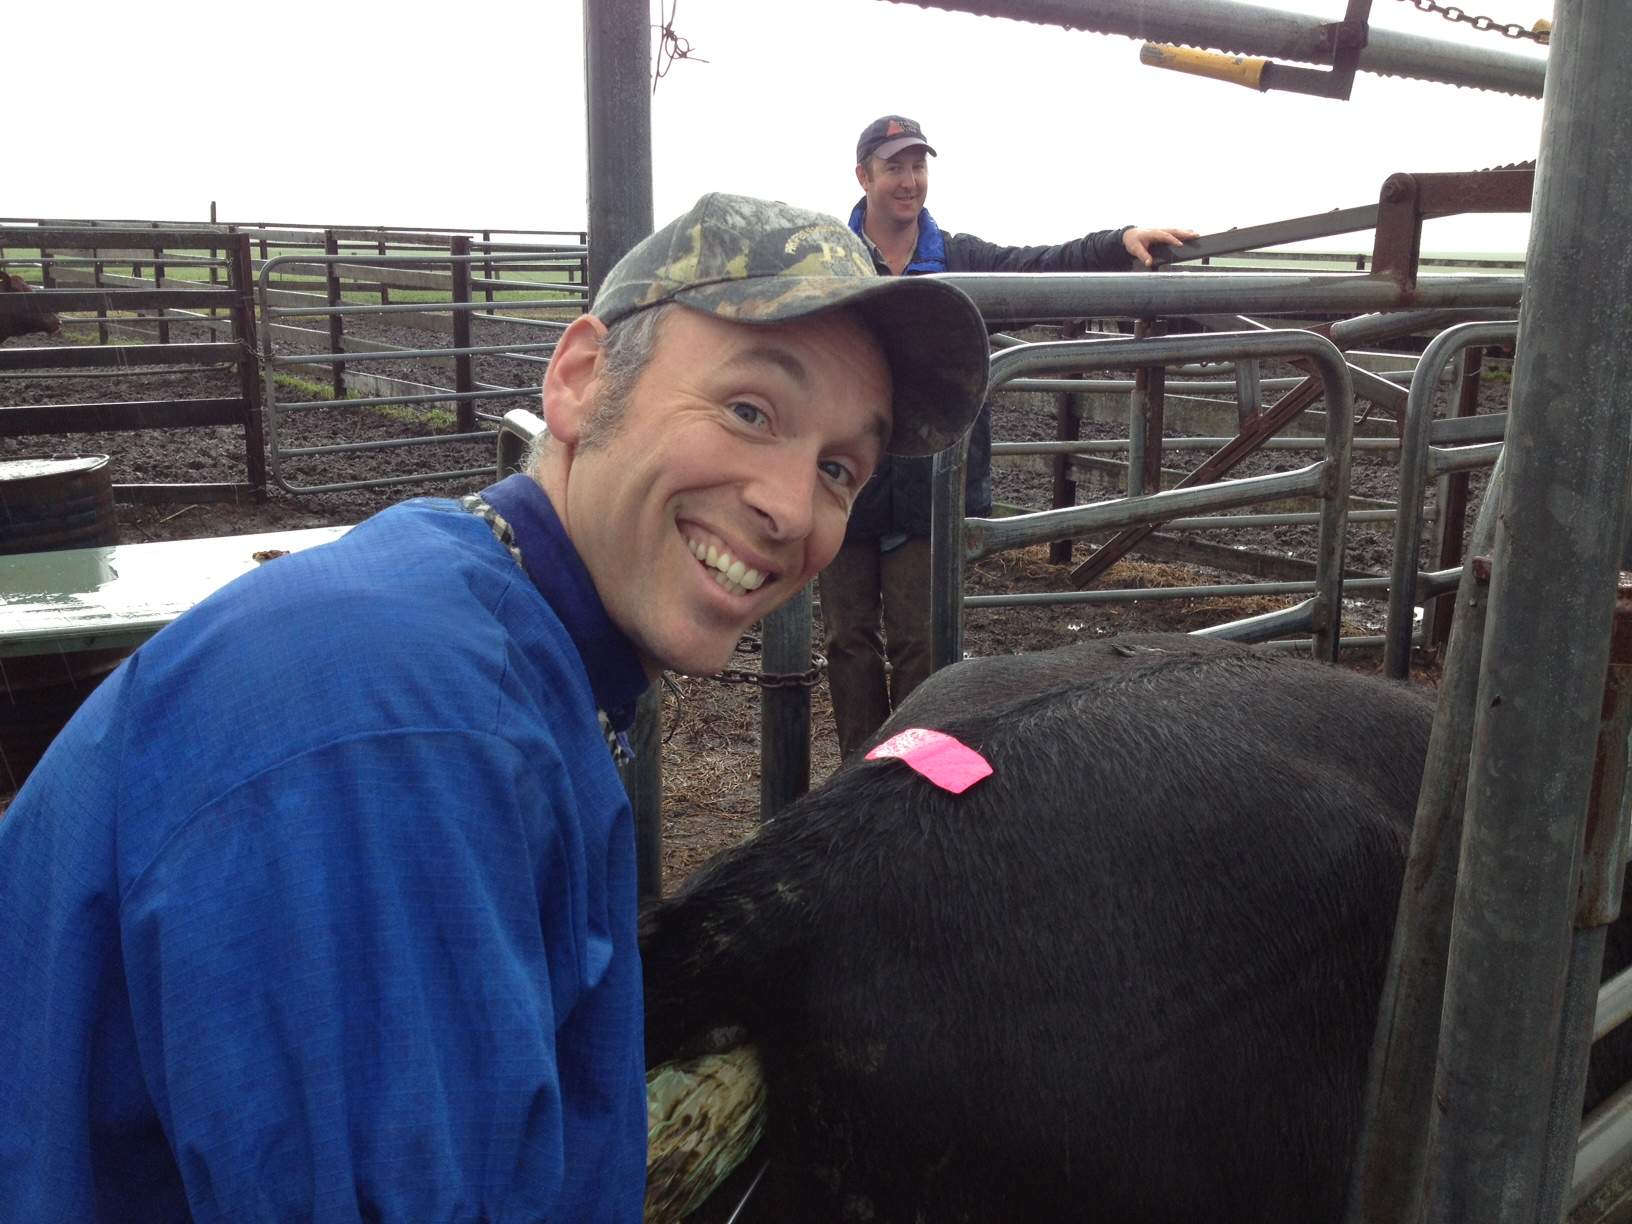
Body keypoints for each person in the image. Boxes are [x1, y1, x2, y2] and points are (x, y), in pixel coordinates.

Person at [0, 192, 990, 1222]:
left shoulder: (497, 640)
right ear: (580, 379)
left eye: (838, 468)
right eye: (749, 410)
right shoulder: (409, 734)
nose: (790, 508)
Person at [819, 114, 1199, 758]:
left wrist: (1117, 243)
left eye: (918, 166)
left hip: (930, 487)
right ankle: (861, 768)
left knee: (922, 642)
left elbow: (1040, 267)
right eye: (893, 167)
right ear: (863, 176)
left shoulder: (960, 260)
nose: (909, 181)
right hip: (845, 478)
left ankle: (911, 773)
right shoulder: (831, 259)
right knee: (846, 640)